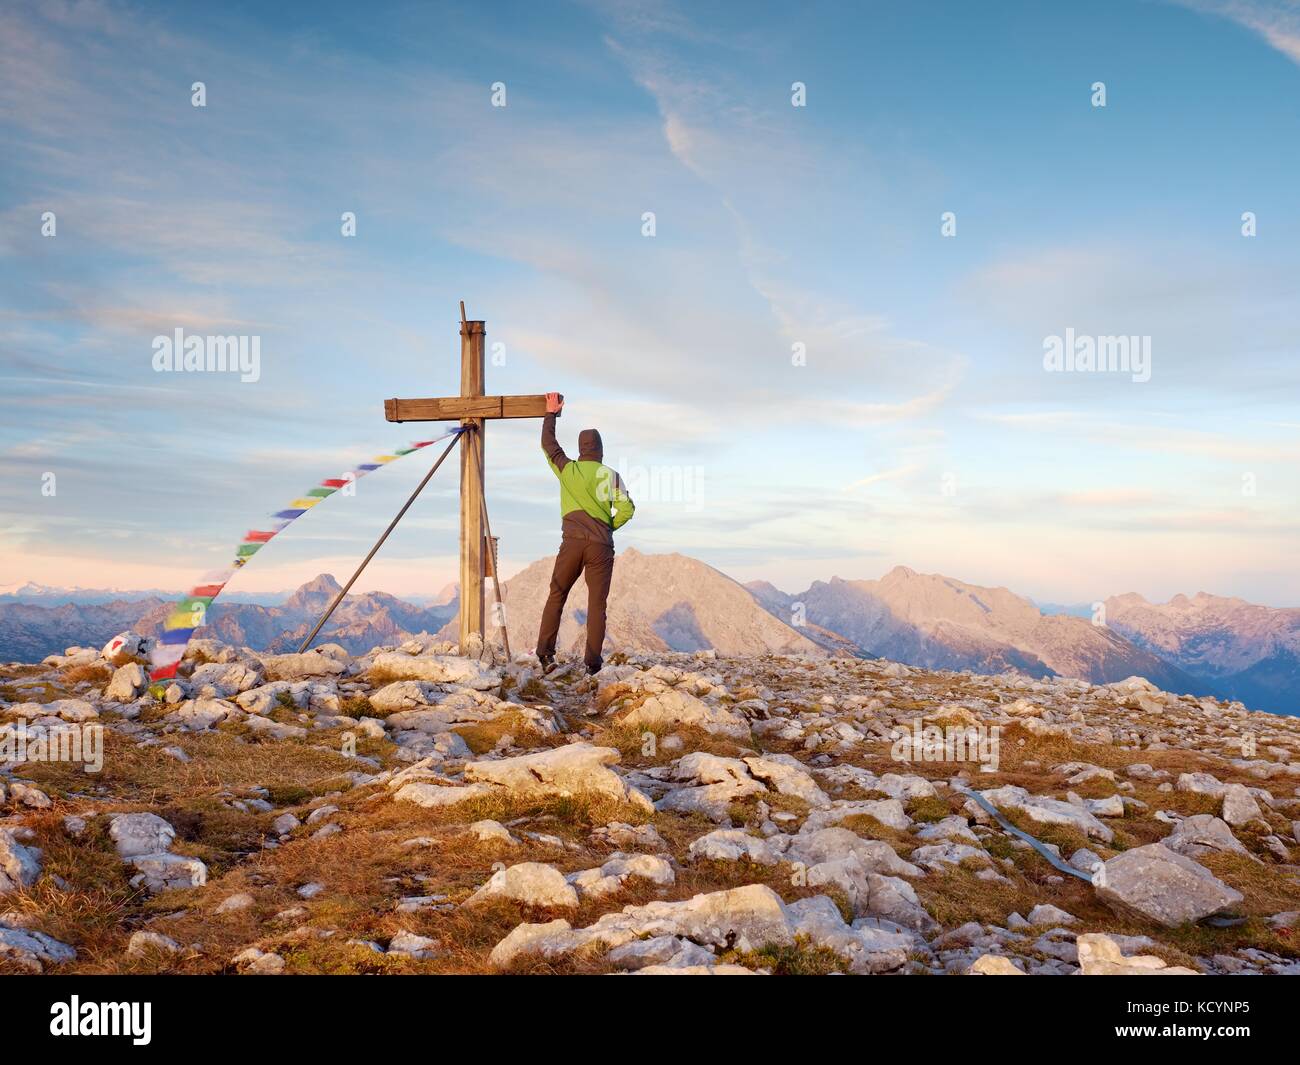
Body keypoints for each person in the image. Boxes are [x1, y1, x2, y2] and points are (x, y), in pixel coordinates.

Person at [535, 391, 635, 674]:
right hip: (601, 546)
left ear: (581, 449)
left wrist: (550, 414)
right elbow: (627, 509)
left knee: (558, 593)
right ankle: (592, 664)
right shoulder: (611, 475)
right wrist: (607, 526)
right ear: (600, 450)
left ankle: (545, 654)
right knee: (597, 604)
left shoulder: (569, 470)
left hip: (572, 542)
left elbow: (548, 445)